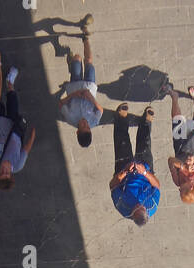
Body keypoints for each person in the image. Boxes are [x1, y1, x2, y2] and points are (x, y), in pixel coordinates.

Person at [110, 105, 160, 225]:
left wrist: (125, 172)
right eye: (141, 206)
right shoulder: (152, 205)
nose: (138, 204)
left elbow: (113, 186)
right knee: (145, 143)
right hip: (145, 170)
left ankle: (121, 118)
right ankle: (146, 121)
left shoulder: (122, 207)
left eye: (136, 207)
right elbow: (157, 186)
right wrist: (144, 172)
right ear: (146, 211)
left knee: (122, 143)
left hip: (125, 171)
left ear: (132, 214)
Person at [58, 18, 103, 148]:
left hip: (75, 86)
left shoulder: (70, 118)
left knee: (77, 58)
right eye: (87, 127)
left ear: (77, 131)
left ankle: (72, 61)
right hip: (89, 86)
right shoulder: (94, 122)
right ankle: (85, 36)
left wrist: (73, 95)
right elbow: (100, 110)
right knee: (88, 61)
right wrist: (91, 98)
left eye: (83, 126)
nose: (85, 123)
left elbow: (61, 104)